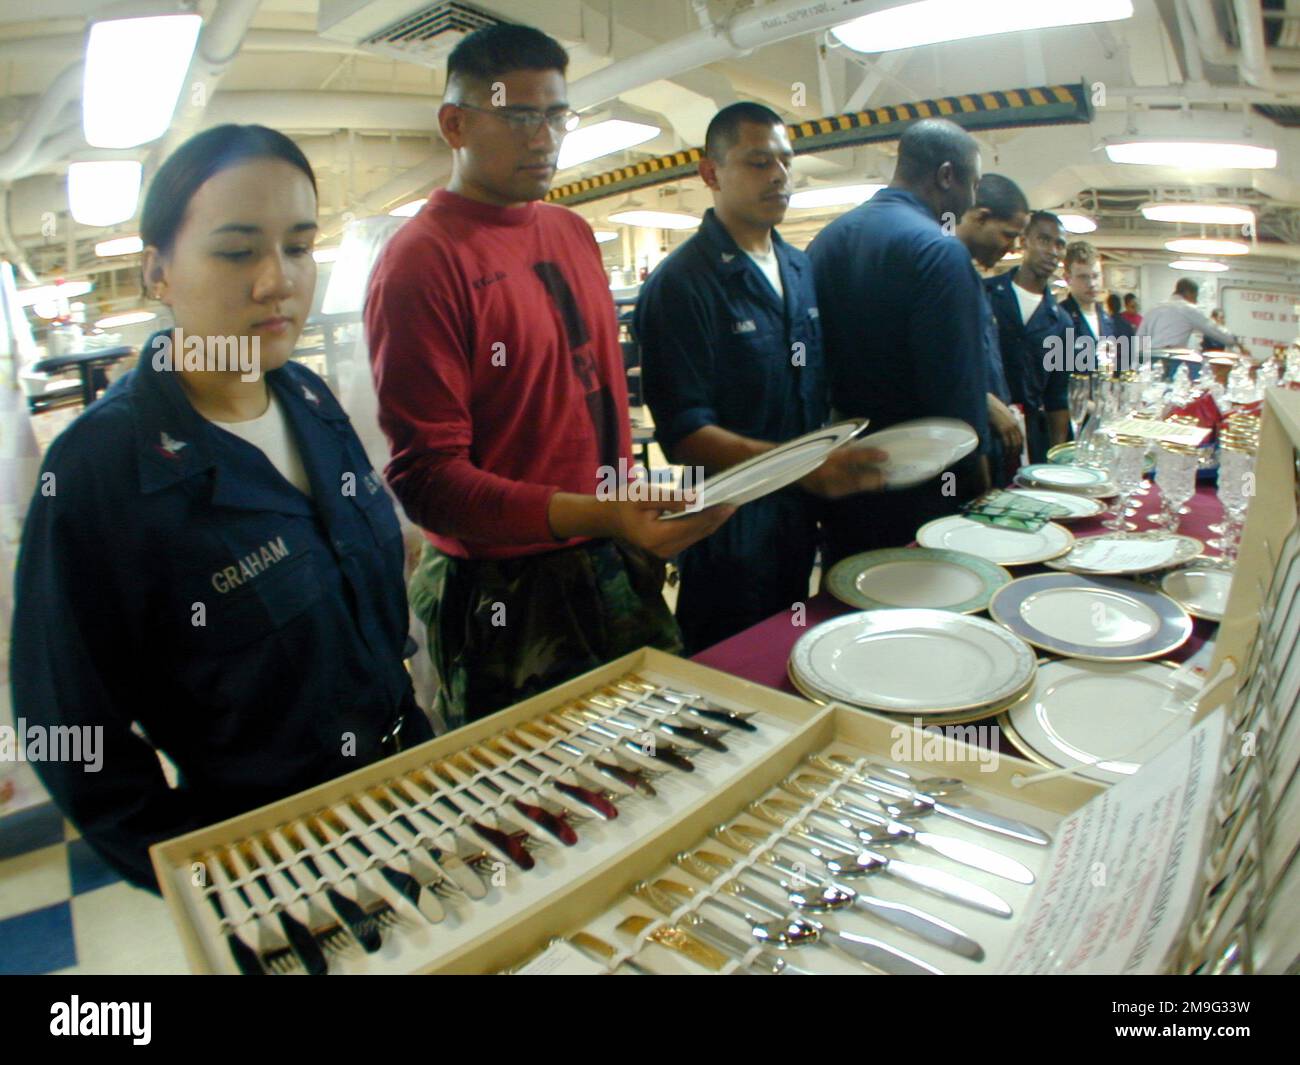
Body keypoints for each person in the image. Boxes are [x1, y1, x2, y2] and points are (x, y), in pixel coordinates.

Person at [10, 125, 433, 892]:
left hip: (412, 789)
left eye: (300, 246)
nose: (278, 281)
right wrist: (213, 876)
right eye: (237, 251)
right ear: (156, 270)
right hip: (281, 855)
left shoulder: (309, 400)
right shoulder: (102, 472)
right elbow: (68, 727)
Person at [365, 25, 731, 727]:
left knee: (661, 757)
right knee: (537, 811)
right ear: (455, 124)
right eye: (519, 115)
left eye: (557, 115)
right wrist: (604, 512)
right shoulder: (422, 260)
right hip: (505, 590)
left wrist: (628, 508)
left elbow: (594, 403)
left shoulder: (569, 232)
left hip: (612, 556)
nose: (545, 138)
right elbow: (429, 484)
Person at [636, 102, 886, 652]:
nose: (778, 176)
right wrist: (803, 467)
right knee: (731, 669)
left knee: (792, 655)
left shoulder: (800, 268)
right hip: (726, 531)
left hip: (801, 525)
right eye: (757, 162)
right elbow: (685, 437)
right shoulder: (683, 286)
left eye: (785, 161)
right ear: (710, 174)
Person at [808, 118, 989, 563]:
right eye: (973, 184)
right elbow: (956, 393)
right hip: (921, 483)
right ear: (947, 175)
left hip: (842, 470)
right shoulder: (940, 253)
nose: (971, 202)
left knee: (847, 600)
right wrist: (981, 483)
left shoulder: (825, 243)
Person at [955, 173, 1030, 485]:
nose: (1011, 248)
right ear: (981, 217)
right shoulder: (947, 273)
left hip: (990, 438)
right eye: (1007, 235)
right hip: (965, 444)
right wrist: (983, 401)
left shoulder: (969, 277)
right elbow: (942, 365)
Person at [985, 211, 1072, 463]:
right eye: (1044, 240)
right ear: (1024, 241)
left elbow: (1058, 396)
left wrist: (1057, 456)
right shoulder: (985, 295)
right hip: (981, 421)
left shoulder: (1061, 322)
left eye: (1059, 245)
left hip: (1029, 434)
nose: (1053, 251)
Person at [1058, 241, 1119, 370]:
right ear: (1068, 278)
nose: (1092, 283)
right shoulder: (1057, 319)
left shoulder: (1106, 319)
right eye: (1083, 277)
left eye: (1095, 276)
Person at [1138, 278, 1236, 351]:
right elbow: (1214, 330)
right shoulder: (1188, 309)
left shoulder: (1153, 309)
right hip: (1171, 360)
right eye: (1195, 297)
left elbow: (1140, 338)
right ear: (1189, 293)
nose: (1196, 301)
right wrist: (1233, 340)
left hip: (1149, 358)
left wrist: (1139, 365)